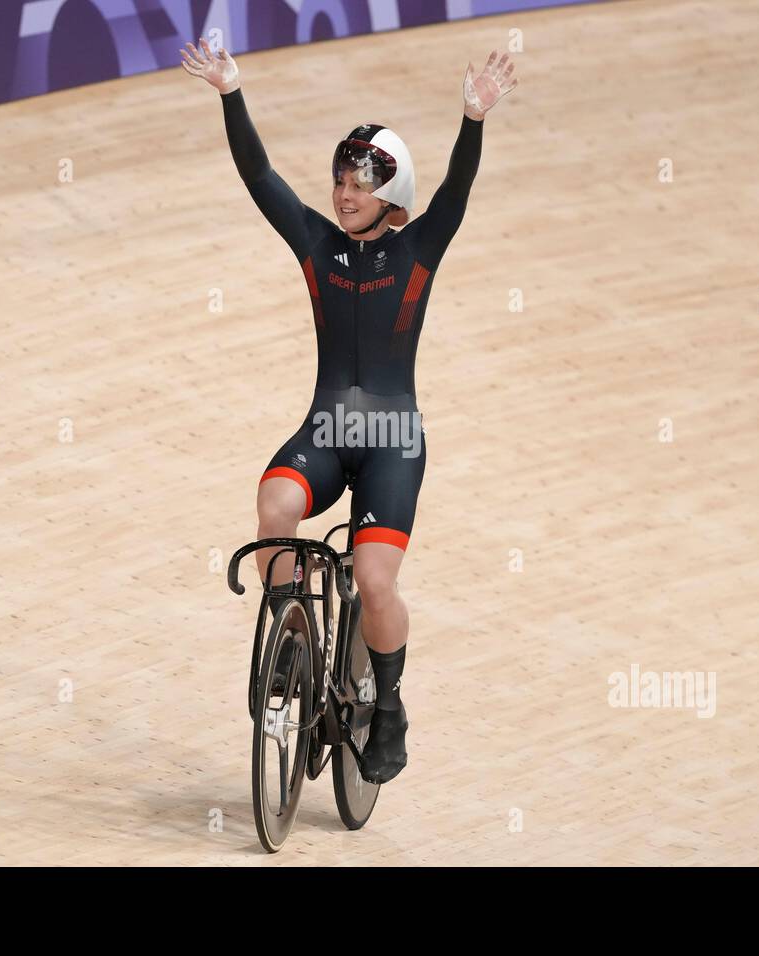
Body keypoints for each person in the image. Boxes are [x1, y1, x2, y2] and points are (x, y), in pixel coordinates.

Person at [182, 39, 516, 784]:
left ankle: (389, 705)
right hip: (327, 433)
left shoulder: (421, 245)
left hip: (394, 441)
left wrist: (472, 117)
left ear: (393, 191)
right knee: (274, 503)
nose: (343, 191)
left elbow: (457, 192)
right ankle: (287, 636)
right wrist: (232, 91)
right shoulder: (315, 245)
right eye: (339, 177)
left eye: (360, 178)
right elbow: (258, 175)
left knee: (374, 582)